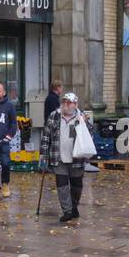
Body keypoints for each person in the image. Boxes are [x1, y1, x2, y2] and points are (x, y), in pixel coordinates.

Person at [40, 91, 92, 223]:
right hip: (58, 156)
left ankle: (74, 206)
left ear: (75, 104)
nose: (66, 105)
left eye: (69, 102)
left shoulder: (82, 116)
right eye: (64, 101)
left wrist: (85, 123)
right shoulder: (54, 116)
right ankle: (67, 211)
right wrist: (43, 156)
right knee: (61, 185)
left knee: (76, 186)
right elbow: (46, 136)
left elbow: (90, 135)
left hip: (77, 157)